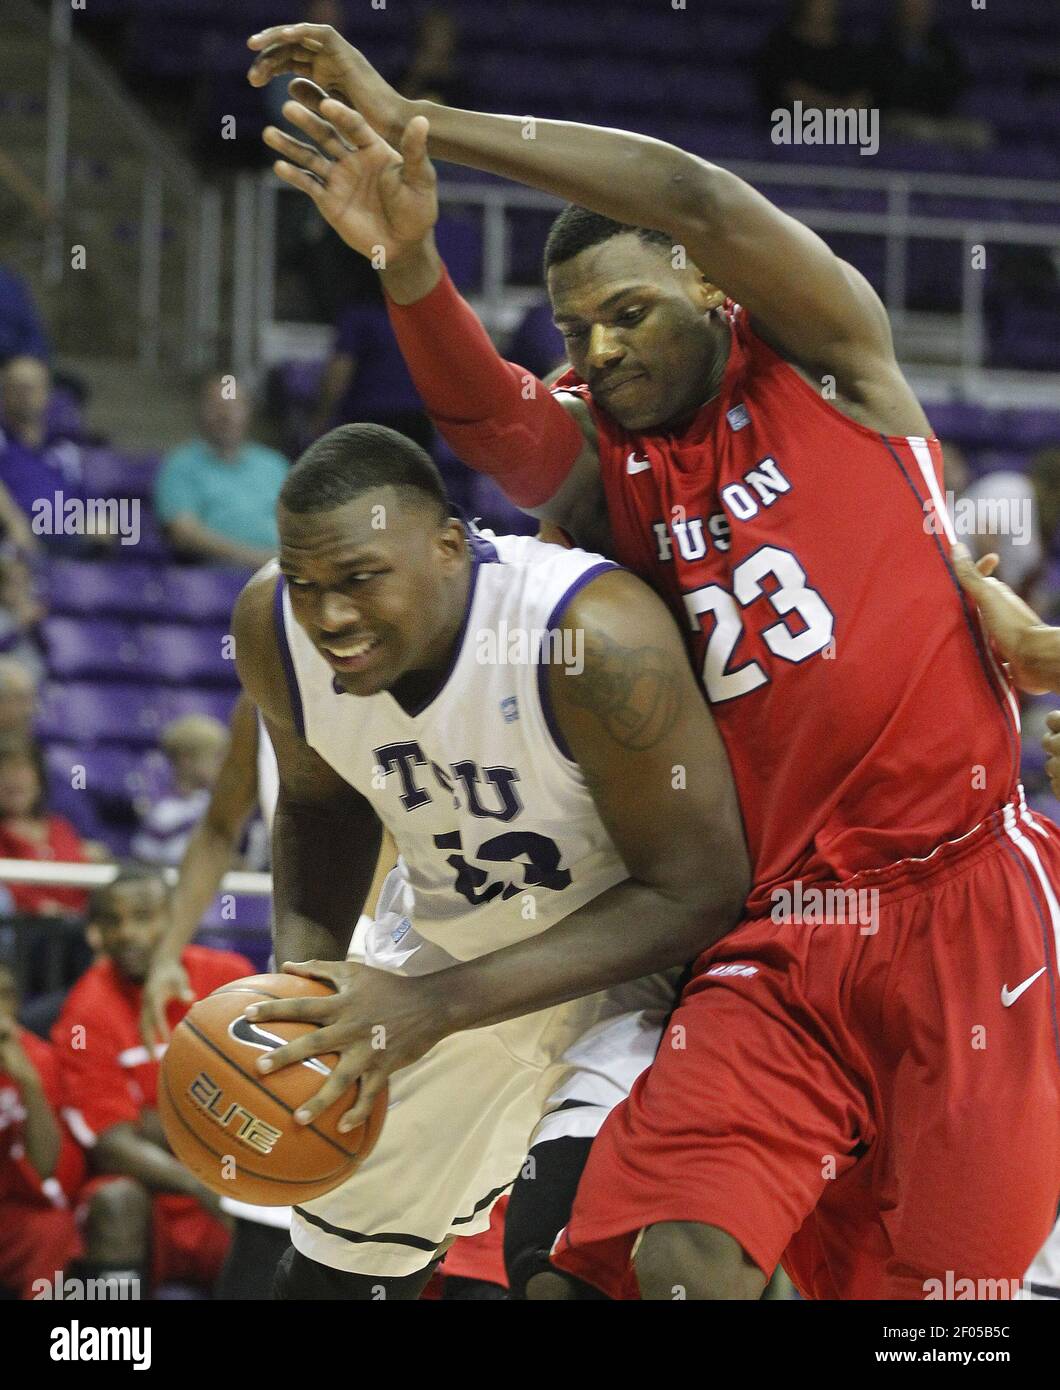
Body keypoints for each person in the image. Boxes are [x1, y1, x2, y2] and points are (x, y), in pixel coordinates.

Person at [244, 26, 1060, 1299]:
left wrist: (422, 118)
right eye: (578, 332)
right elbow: (484, 414)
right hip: (776, 930)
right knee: (674, 1255)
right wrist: (407, 258)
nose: (602, 350)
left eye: (630, 313)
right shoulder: (607, 471)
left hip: (960, 892)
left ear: (712, 295)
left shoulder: (831, 362)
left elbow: (692, 194)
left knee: (938, 1295)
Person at [223, 421, 747, 1300]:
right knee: (330, 1279)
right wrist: (307, 981)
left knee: (563, 1270)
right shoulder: (272, 625)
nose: (330, 615)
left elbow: (698, 892)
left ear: (449, 547)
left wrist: (434, 1006)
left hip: (642, 967)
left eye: (359, 580)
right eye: (309, 583)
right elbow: (321, 804)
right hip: (450, 953)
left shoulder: (587, 635)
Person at [52, 862, 251, 1296]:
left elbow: (272, 1095)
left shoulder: (230, 978)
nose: (129, 934)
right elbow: (113, 1144)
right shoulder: (85, 1013)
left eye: (144, 917)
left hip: (238, 1183)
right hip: (158, 1202)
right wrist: (202, 1185)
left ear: (175, 918)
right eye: (113, 921)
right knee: (114, 1200)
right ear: (95, 934)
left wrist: (156, 1123)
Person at [0, 961, 85, 1298]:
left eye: (3, 995)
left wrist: (29, 1083)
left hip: (11, 1211)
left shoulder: (38, 1058)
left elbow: (44, 1166)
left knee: (52, 1229)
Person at [154, 375, 289, 569]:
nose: (225, 415)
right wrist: (256, 558)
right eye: (216, 406)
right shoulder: (181, 465)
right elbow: (183, 533)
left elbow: (303, 523)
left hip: (286, 576)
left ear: (248, 411)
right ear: (200, 411)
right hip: (217, 579)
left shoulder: (274, 464)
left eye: (234, 406)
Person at [0, 355, 86, 554]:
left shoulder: (65, 450)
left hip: (68, 546)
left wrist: (96, 520)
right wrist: (12, 520)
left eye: (31, 387)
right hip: (13, 545)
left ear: (47, 393)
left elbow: (83, 498)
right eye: (16, 387)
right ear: (4, 394)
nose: (24, 395)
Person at [0, 741, 95, 919]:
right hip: (22, 928)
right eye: (3, 771)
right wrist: (40, 906)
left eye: (21, 769)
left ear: (38, 782)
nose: (13, 778)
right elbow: (7, 889)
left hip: (76, 923)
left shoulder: (60, 827)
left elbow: (81, 875)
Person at [131, 714, 231, 868]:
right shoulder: (165, 812)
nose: (223, 765)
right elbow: (145, 862)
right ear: (186, 760)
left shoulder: (217, 804)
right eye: (216, 757)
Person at [753, 0, 871, 120]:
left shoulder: (850, 49)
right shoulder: (781, 45)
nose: (825, 5)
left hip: (843, 130)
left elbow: (861, 95)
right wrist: (836, 108)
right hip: (791, 128)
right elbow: (790, 91)